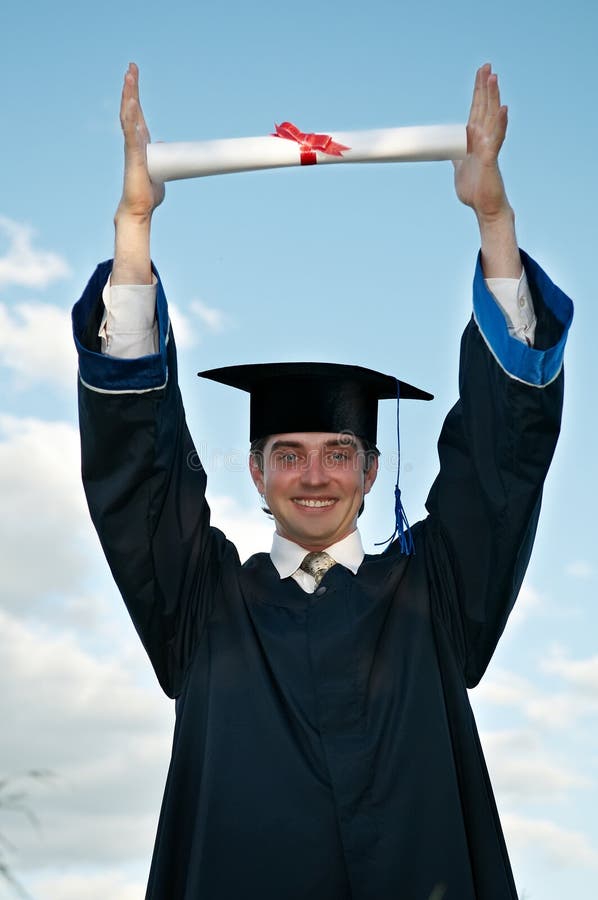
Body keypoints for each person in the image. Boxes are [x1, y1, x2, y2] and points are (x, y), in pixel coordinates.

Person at [72, 63, 573, 900]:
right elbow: (139, 471)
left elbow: (501, 464)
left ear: (372, 471)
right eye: (290, 454)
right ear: (257, 473)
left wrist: (493, 218)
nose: (315, 476)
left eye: (340, 452)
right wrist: (133, 229)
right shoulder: (200, 606)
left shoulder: (434, 601)